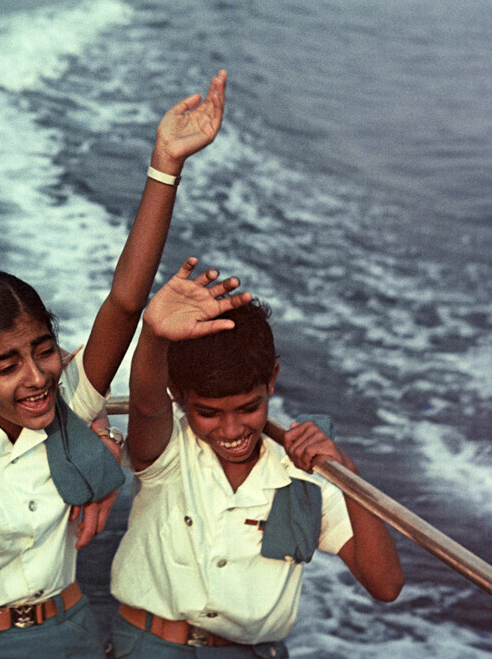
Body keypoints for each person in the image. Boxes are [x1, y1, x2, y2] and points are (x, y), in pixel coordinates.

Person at [0, 73, 228, 658]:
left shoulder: (68, 402)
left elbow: (124, 301)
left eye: (44, 350)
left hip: (71, 634)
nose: (36, 376)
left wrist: (166, 164)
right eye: (6, 364)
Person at [109, 260, 405, 658]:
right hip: (148, 647)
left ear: (272, 380)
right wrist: (153, 333)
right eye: (209, 413)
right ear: (177, 395)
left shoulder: (309, 474)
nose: (231, 431)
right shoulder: (166, 449)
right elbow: (146, 404)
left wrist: (348, 477)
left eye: (248, 408)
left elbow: (385, 585)